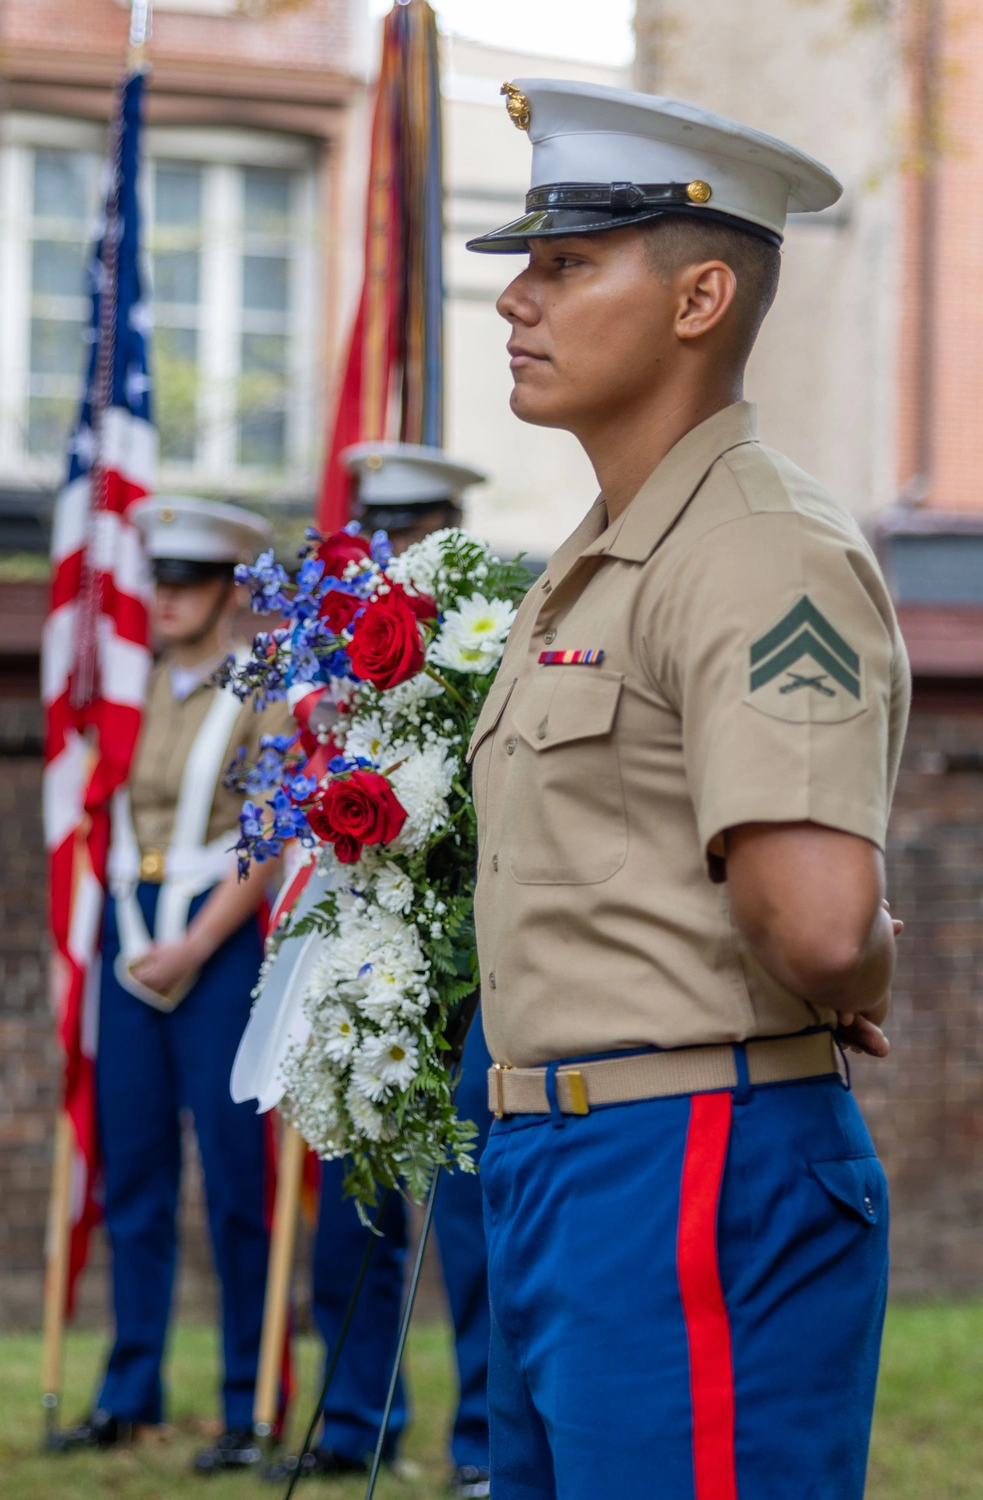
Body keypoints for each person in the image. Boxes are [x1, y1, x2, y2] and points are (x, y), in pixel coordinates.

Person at [464, 80, 911, 1499]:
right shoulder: (596, 560)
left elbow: (821, 923)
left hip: (689, 1167)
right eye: (525, 266)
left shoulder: (757, 551)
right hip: (570, 1168)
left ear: (701, 295)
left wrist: (857, 972)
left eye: (566, 264)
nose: (515, 302)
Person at [267, 444, 493, 1500]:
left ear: (451, 527)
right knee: (357, 1201)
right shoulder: (329, 667)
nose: (397, 553)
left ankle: (484, 1443)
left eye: (418, 527)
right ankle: (358, 1421)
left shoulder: (482, 651)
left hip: (460, 957)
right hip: (357, 949)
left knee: (471, 1211)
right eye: (382, 530)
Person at [50, 495, 290, 1475]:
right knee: (133, 1180)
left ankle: (247, 1402)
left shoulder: (265, 686)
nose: (169, 597)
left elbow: (270, 831)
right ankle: (127, 1390)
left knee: (237, 1184)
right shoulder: (125, 687)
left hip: (217, 943)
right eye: (161, 578)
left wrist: (195, 944)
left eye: (190, 581)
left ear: (233, 589)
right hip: (124, 937)